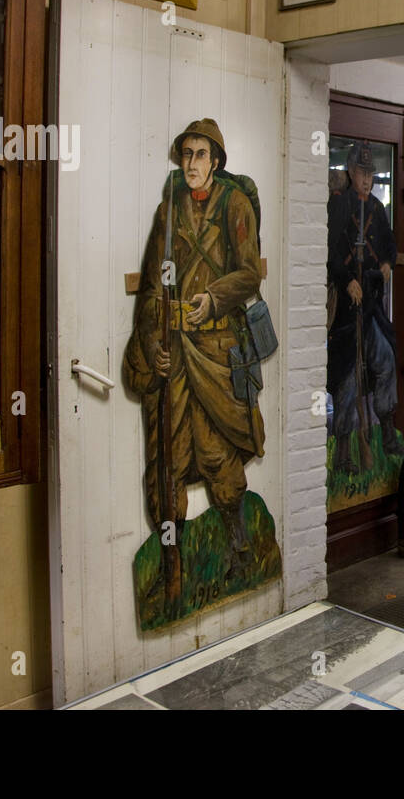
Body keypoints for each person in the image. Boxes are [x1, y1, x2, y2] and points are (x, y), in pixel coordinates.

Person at [122, 119, 266, 601]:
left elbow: (249, 275)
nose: (191, 163)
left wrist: (213, 297)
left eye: (200, 154)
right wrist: (153, 343)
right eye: (185, 153)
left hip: (215, 351)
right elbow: (149, 287)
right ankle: (172, 564)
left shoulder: (235, 205)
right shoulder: (168, 214)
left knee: (217, 458)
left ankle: (239, 547)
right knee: (166, 463)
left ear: (217, 160)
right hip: (174, 356)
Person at [327, 142, 403, 475]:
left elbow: (388, 242)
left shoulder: (378, 208)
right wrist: (346, 281)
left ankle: (386, 432)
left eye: (371, 173)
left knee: (385, 359)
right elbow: (329, 253)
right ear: (350, 173)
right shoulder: (339, 207)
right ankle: (343, 451)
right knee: (346, 376)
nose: (366, 179)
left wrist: (386, 263)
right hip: (345, 310)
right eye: (361, 172)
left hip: (370, 305)